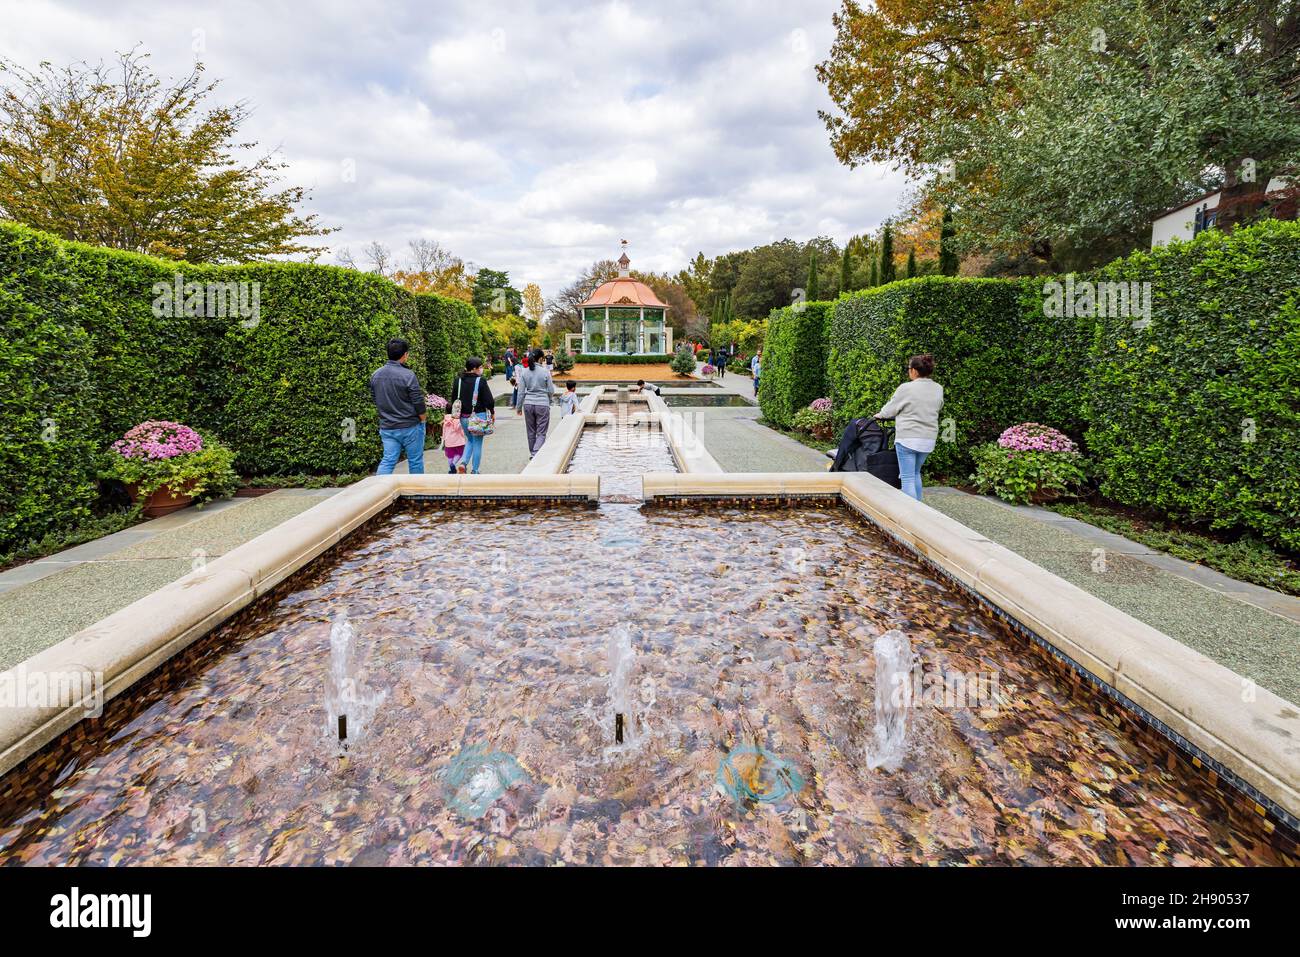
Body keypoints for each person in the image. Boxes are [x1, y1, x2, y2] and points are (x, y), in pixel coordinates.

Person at [873, 353, 943, 502]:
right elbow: (939, 406)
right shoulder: (938, 388)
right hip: (928, 440)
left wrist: (880, 415)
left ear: (915, 371)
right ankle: (920, 510)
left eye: (909, 368)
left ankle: (910, 514)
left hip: (908, 439)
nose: (908, 370)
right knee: (916, 473)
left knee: (907, 477)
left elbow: (890, 410)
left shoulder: (906, 388)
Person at [369, 337, 427, 475]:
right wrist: (423, 419)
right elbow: (418, 401)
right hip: (410, 426)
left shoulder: (376, 375)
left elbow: (375, 398)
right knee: (415, 461)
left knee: (388, 460)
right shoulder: (408, 375)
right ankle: (416, 493)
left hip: (388, 427)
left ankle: (378, 491)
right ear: (405, 355)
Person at [449, 357, 495, 474]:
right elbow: (489, 400)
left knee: (470, 440)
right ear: (474, 369)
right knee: (477, 443)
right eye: (480, 367)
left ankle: (463, 463)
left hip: (463, 417)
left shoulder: (458, 381)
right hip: (478, 416)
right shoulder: (481, 381)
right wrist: (492, 412)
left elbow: (454, 400)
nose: (482, 369)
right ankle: (475, 470)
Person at [514, 347, 555, 457]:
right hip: (542, 404)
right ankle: (536, 453)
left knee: (531, 431)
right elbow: (551, 390)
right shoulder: (545, 371)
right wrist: (549, 399)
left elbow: (521, 392)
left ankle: (532, 452)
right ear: (541, 358)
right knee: (541, 432)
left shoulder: (524, 372)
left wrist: (518, 407)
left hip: (528, 404)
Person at [441, 401, 466, 473]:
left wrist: (444, 439)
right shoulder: (457, 419)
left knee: (450, 456)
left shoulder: (445, 419)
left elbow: (444, 431)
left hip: (448, 442)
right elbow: (458, 429)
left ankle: (451, 469)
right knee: (460, 454)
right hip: (458, 441)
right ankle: (453, 464)